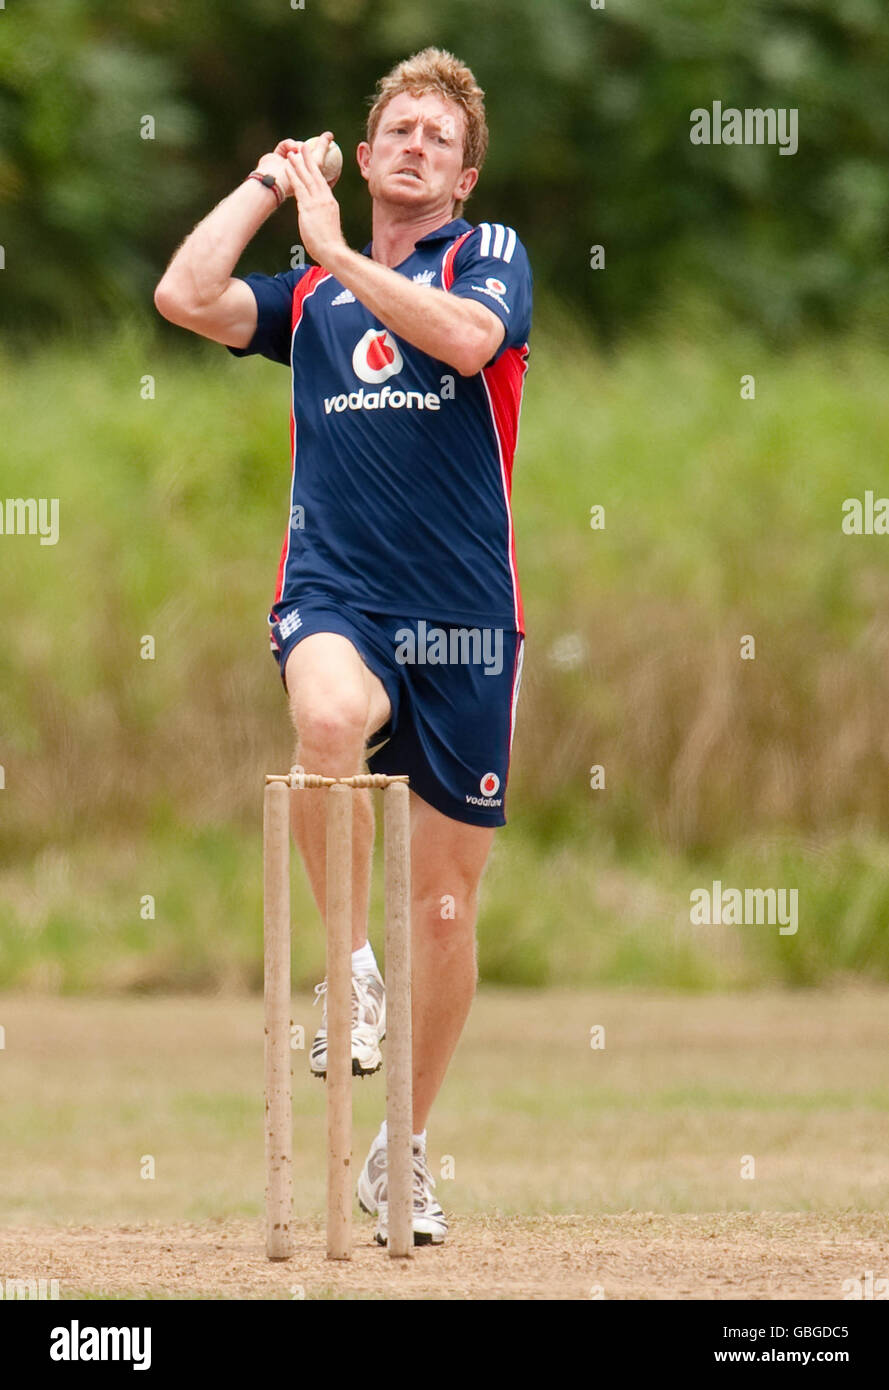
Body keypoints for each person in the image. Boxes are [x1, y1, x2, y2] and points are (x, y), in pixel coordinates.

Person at [154, 47, 531, 1246]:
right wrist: (275, 184)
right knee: (323, 722)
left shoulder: (489, 257)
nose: (414, 143)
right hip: (338, 593)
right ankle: (347, 966)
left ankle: (401, 1152)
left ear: (462, 176)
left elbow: (467, 343)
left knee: (447, 917)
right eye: (396, 130)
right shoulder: (308, 294)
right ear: (364, 157)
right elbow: (183, 293)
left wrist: (336, 252)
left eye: (437, 136)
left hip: (468, 617)